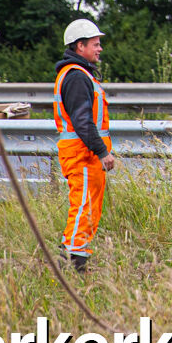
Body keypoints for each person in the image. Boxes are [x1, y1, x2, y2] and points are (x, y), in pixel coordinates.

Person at [55, 18, 114, 273]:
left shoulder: (80, 75)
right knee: (83, 208)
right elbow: (82, 120)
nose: (99, 49)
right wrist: (102, 151)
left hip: (84, 153)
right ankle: (72, 266)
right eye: (95, 44)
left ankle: (75, 262)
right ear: (80, 46)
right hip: (84, 154)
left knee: (86, 208)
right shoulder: (77, 77)